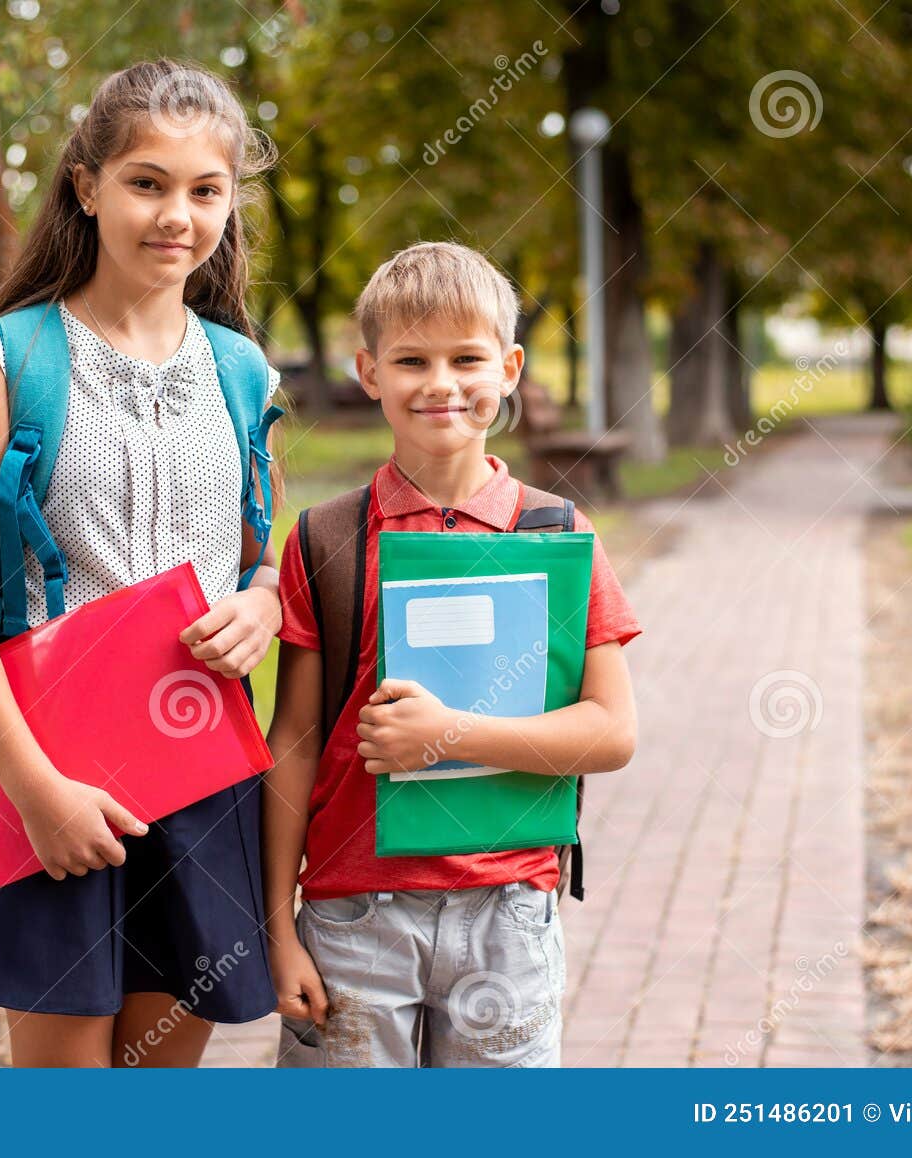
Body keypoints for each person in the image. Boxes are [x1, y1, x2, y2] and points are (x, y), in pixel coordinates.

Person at [0, 60, 283, 1068]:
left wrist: (263, 601)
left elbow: (258, 554)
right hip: (53, 762)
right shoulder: (11, 359)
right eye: (147, 183)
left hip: (201, 768)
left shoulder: (240, 370)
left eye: (206, 190)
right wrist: (32, 789)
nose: (178, 216)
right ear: (87, 186)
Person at [263, 241, 641, 1067]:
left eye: (467, 358)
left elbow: (612, 733)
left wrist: (449, 736)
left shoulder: (559, 537)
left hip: (506, 911)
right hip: (351, 916)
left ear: (507, 368)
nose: (441, 383)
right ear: (368, 372)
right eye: (411, 360)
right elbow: (290, 744)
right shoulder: (326, 540)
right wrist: (275, 928)